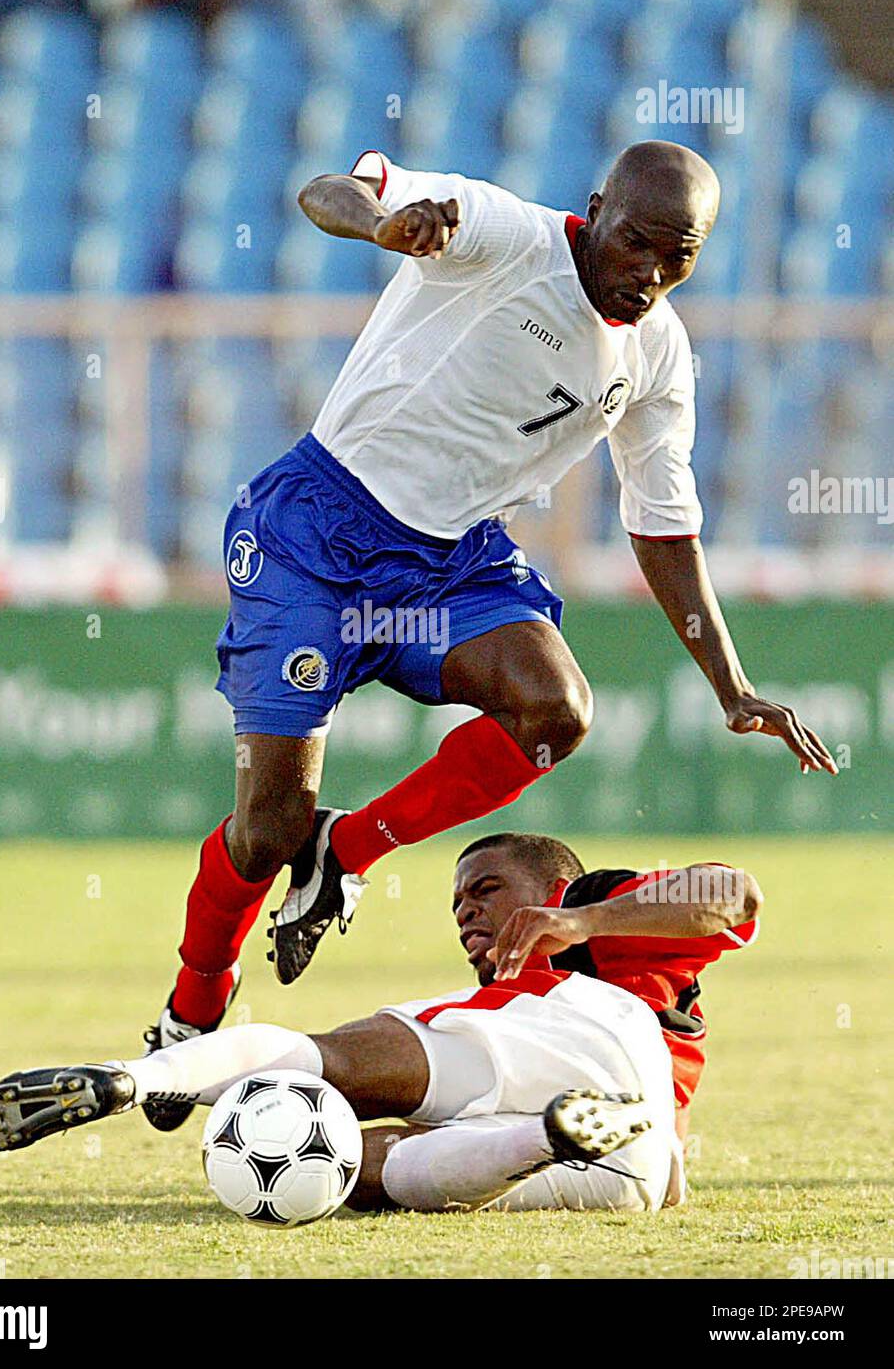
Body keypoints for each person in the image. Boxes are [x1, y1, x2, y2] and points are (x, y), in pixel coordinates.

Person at [144, 138, 828, 1134]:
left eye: (675, 258)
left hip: (452, 561)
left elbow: (662, 523)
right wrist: (383, 226)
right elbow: (323, 188)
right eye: (634, 243)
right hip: (314, 539)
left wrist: (730, 685)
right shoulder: (501, 231)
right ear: (594, 210)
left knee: (556, 711)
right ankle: (192, 1005)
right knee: (264, 831)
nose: (646, 273)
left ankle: (351, 848)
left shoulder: (655, 355)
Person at [0, 834, 761, 1213]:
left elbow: (736, 893)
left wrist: (583, 918)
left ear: (553, 882)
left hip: (589, 1036)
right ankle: (551, 1137)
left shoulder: (600, 917)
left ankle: (133, 1078)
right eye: (458, 906)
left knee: (334, 1059)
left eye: (485, 888)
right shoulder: (501, 994)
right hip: (627, 1175)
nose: (467, 913)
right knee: (357, 1167)